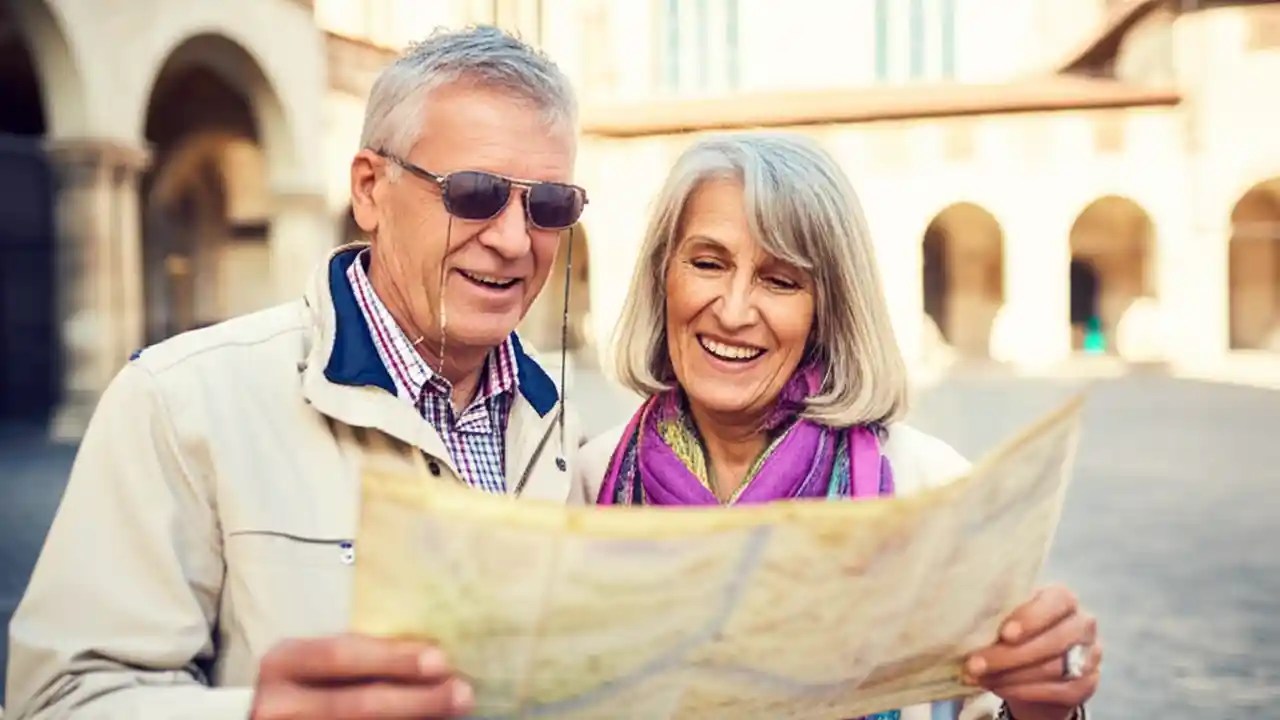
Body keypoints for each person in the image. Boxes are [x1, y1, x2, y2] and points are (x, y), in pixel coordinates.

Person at [6, 26, 588, 720]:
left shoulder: (556, 422)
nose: (514, 240)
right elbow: (57, 699)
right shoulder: (180, 399)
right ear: (370, 190)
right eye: (474, 193)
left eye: (549, 206)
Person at [573, 133, 1101, 720]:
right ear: (661, 276)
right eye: (707, 263)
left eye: (780, 280)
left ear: (829, 308)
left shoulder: (928, 489)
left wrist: (1043, 705)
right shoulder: (588, 486)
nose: (733, 309)